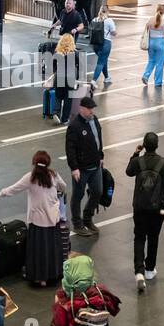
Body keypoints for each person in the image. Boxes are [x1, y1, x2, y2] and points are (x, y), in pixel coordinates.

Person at [0, 151, 68, 289]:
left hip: (37, 222)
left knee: (39, 251)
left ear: (34, 163)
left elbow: (12, 189)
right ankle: (54, 273)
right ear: (48, 163)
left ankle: (40, 278)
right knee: (51, 249)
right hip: (52, 220)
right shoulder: (53, 175)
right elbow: (63, 186)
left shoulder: (30, 178)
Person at [126, 132, 164, 291]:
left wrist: (135, 153)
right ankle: (149, 269)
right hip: (158, 208)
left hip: (139, 206)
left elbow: (128, 171)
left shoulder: (138, 162)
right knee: (153, 237)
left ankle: (138, 272)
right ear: (157, 145)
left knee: (139, 237)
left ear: (144, 145)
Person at [65, 96, 104, 237]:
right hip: (81, 169)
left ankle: (88, 218)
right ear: (82, 109)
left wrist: (101, 156)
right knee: (78, 195)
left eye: (92, 109)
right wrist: (74, 168)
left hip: (95, 165)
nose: (92, 111)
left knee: (98, 191)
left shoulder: (94, 120)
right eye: (89, 109)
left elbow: (98, 138)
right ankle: (77, 224)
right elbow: (70, 149)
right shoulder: (74, 126)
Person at [50, 32, 81, 125]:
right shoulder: (75, 53)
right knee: (68, 100)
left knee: (58, 97)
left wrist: (55, 72)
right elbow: (79, 66)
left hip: (59, 76)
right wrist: (77, 78)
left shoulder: (57, 52)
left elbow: (53, 65)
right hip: (70, 78)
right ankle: (64, 119)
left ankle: (56, 113)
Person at [140, 5, 164, 88]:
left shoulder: (150, 20)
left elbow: (146, 30)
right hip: (160, 43)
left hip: (151, 42)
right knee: (160, 63)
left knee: (151, 61)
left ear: (156, 10)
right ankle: (157, 82)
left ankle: (146, 76)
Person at [89, 3, 116, 88]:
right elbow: (113, 33)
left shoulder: (94, 20)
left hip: (95, 44)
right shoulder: (109, 20)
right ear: (108, 11)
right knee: (101, 62)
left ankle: (107, 77)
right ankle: (93, 81)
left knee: (104, 60)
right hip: (105, 43)